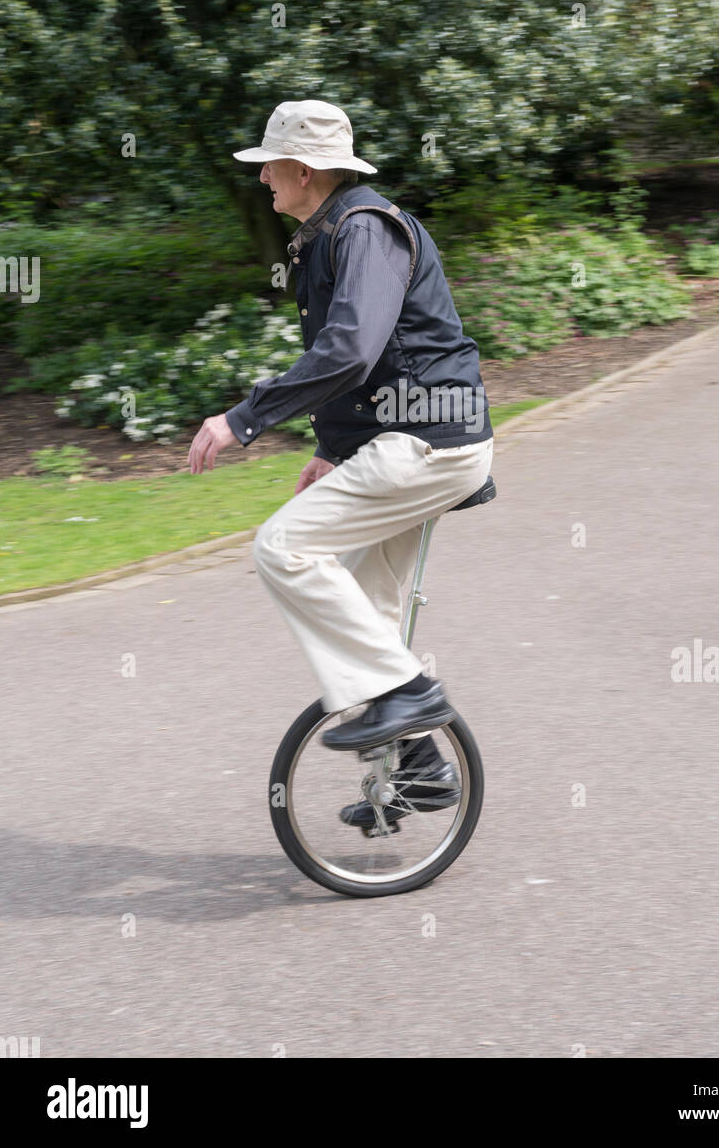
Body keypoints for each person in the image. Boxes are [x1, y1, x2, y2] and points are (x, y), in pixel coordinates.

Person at [187, 100, 493, 821]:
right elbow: (366, 360)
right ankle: (418, 768)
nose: (262, 176)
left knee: (282, 547)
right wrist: (331, 450)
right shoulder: (332, 234)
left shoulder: (365, 231)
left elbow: (351, 350)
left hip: (429, 443)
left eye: (270, 164)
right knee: (367, 613)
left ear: (303, 169)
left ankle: (412, 697)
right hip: (410, 441)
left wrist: (244, 418)